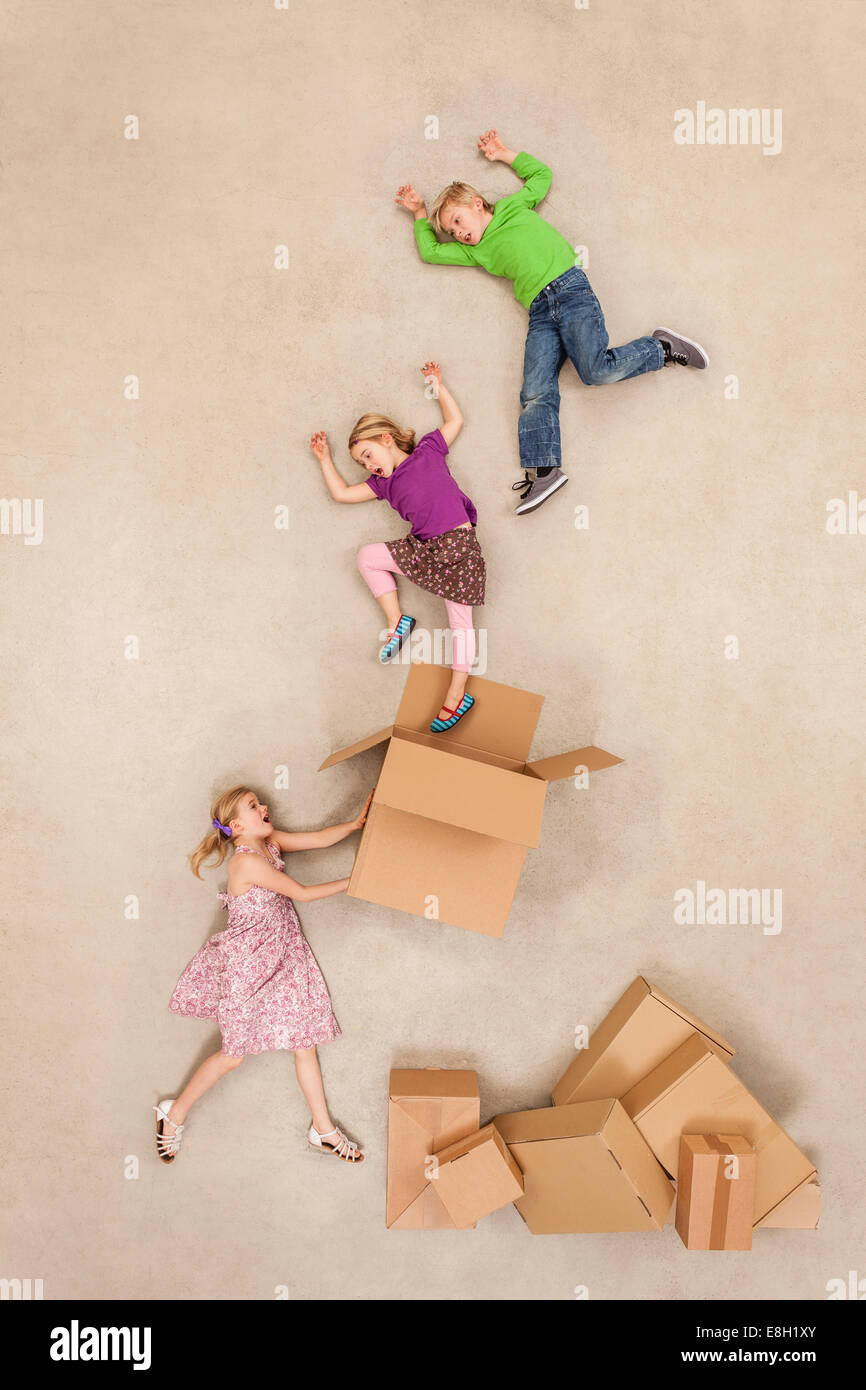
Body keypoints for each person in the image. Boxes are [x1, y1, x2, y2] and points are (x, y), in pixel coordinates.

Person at [396, 128, 708, 515]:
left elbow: (541, 176)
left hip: (571, 289)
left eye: (458, 221)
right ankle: (545, 470)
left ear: (477, 204)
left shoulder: (513, 207)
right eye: (453, 231)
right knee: (534, 389)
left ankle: (661, 347)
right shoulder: (474, 252)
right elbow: (430, 252)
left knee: (595, 371)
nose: (459, 233)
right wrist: (419, 214)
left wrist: (504, 154)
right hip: (540, 313)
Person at [154, 786, 372, 1165]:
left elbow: (318, 839)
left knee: (305, 1041)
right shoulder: (245, 864)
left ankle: (322, 1129)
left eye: (260, 802)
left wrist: (354, 825)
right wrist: (356, 881)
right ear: (237, 826)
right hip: (250, 964)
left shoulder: (270, 844)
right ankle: (173, 1113)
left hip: (282, 953)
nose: (264, 807)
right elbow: (301, 894)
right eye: (253, 806)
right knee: (234, 1054)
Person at [310, 361, 485, 733]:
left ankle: (456, 695)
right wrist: (325, 460)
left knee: (461, 625)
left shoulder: (428, 451)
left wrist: (438, 385)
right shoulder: (382, 485)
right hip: (424, 550)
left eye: (368, 455)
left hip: (459, 550)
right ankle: (397, 622)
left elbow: (455, 420)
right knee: (367, 557)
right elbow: (342, 494)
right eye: (361, 462)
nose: (368, 466)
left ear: (387, 439)